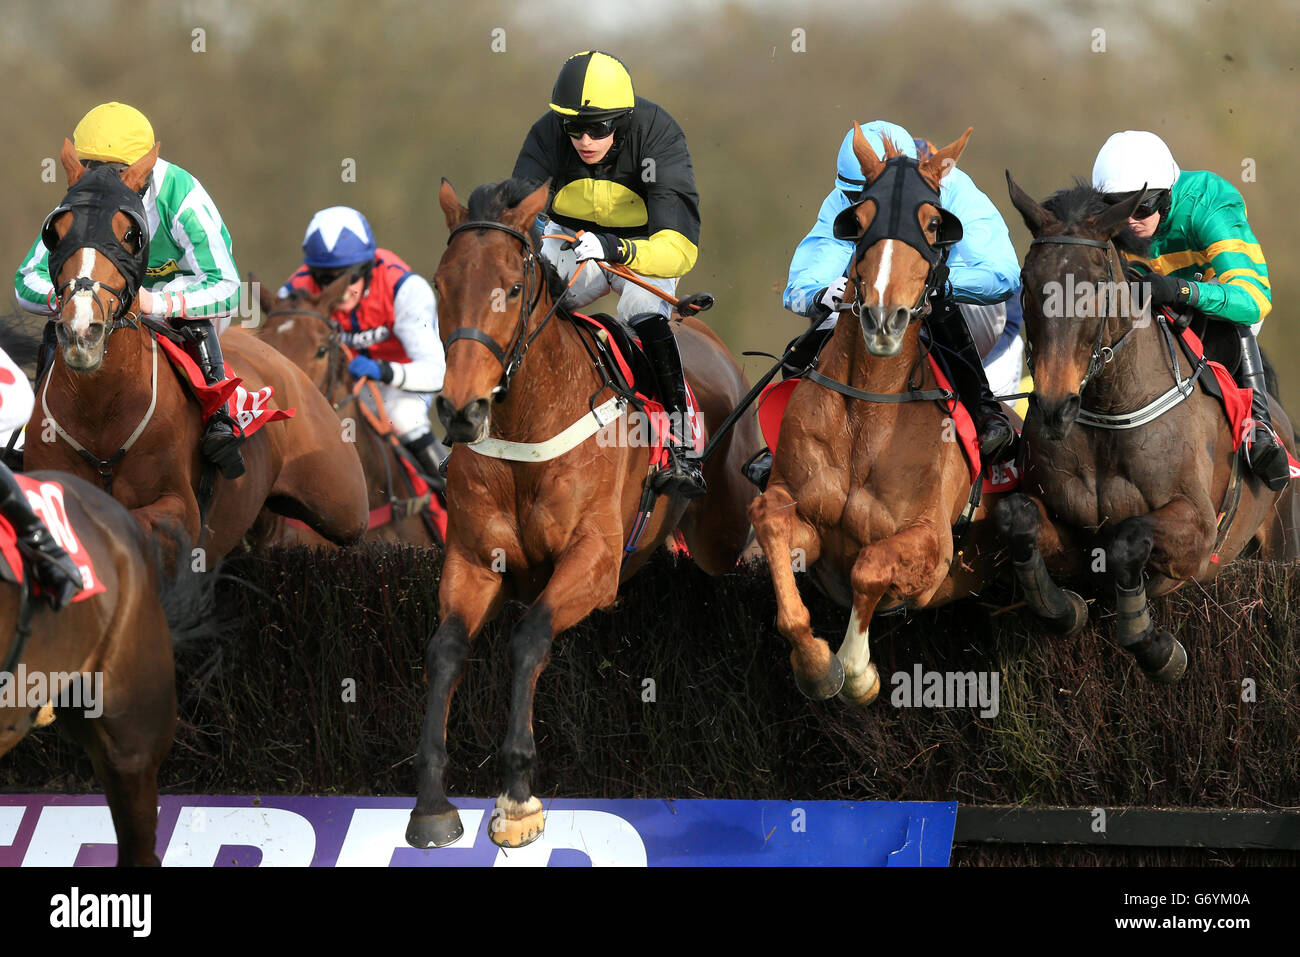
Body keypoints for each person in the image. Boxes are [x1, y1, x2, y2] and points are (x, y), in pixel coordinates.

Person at [14, 102, 246, 480]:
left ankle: (220, 419)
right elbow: (27, 279)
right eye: (90, 168)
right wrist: (72, 301)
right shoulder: (79, 201)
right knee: (65, 331)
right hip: (105, 303)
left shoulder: (183, 197)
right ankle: (32, 435)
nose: (101, 182)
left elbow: (227, 287)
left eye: (116, 173)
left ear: (143, 170)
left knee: (197, 324)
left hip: (178, 303)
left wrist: (153, 302)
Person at [511, 50, 706, 499]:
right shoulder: (546, 135)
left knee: (642, 309)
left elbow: (679, 249)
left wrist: (616, 248)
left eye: (598, 128)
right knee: (529, 305)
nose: (584, 140)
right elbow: (517, 213)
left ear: (622, 120)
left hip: (644, 247)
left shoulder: (659, 136)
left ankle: (682, 445)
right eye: (574, 128)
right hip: (571, 238)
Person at [782, 121, 1021, 464]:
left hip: (965, 305)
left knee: (932, 299)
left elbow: (1002, 276)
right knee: (821, 326)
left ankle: (984, 411)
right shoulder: (846, 196)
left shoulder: (955, 189)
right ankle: (784, 445)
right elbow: (801, 283)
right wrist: (821, 294)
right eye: (856, 198)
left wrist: (929, 282)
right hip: (877, 298)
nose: (864, 203)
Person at [1092, 130, 1288, 491]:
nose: (1130, 221)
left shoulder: (1208, 201)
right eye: (1117, 208)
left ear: (1166, 197)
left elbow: (1253, 299)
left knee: (1236, 318)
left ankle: (1260, 431)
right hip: (1151, 313)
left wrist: (1182, 290)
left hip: (1216, 311)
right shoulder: (1107, 222)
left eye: (1142, 207)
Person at [278, 206, 447, 486]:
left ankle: (449, 499)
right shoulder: (295, 291)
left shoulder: (405, 289)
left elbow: (436, 372)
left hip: (399, 383)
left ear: (367, 268)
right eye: (325, 278)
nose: (340, 289)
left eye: (349, 277)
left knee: (403, 418)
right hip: (334, 385)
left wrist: (384, 371)